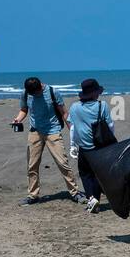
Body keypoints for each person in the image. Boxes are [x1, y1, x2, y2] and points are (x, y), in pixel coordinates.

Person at [13, 76, 84, 206]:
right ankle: (32, 195)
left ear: (40, 86)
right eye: (32, 94)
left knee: (62, 162)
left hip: (53, 131)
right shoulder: (26, 93)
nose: (35, 95)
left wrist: (73, 132)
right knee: (32, 165)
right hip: (35, 132)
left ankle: (75, 192)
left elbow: (64, 113)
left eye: (36, 93)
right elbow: (24, 110)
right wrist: (18, 119)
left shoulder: (52, 92)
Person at [66, 78, 114, 213]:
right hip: (100, 146)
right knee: (98, 173)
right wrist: (109, 141)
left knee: (85, 174)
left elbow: (72, 128)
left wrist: (73, 146)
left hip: (84, 147)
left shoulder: (75, 107)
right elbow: (110, 126)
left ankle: (91, 198)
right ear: (94, 93)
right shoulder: (102, 105)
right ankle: (96, 197)